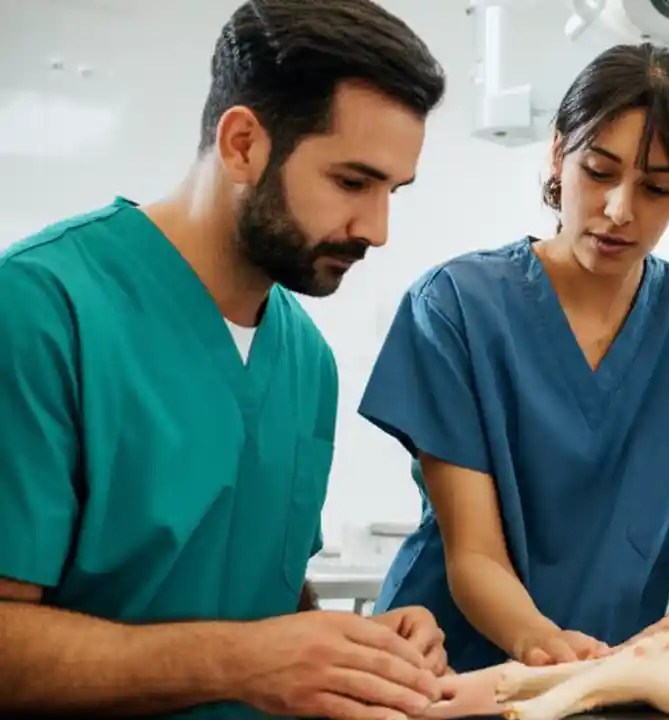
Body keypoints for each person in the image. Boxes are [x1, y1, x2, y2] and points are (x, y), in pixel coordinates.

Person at [0, 1, 454, 718]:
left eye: (391, 192)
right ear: (242, 143)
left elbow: (262, 603)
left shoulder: (306, 360)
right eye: (351, 183)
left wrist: (357, 652)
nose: (378, 229)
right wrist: (243, 661)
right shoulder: (39, 309)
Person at [358, 42, 669, 674]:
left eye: (656, 188)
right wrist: (544, 645)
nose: (620, 210)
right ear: (557, 153)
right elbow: (474, 555)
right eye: (598, 171)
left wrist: (668, 644)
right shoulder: (458, 307)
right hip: (445, 669)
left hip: (618, 673)